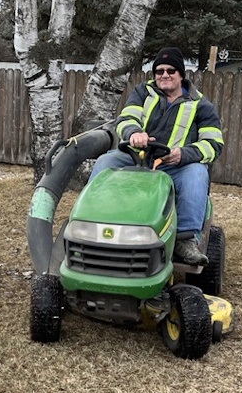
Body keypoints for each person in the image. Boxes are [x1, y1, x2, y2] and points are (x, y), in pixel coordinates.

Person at [90, 47, 225, 265]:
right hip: (137, 158)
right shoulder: (143, 92)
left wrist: (184, 154)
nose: (164, 75)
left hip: (176, 165)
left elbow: (214, 144)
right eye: (159, 71)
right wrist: (134, 133)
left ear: (181, 74)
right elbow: (125, 119)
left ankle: (185, 239)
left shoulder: (201, 105)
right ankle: (93, 222)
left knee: (198, 173)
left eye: (171, 70)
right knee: (107, 161)